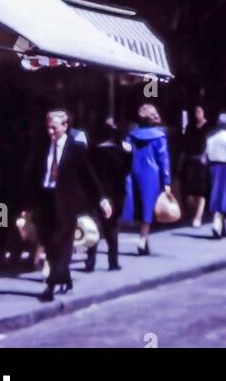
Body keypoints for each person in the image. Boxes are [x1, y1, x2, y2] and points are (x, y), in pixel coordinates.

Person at [34, 109, 111, 302]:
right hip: (46, 199)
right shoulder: (42, 147)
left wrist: (101, 199)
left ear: (65, 127)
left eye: (54, 128)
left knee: (63, 242)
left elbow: (89, 175)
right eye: (48, 127)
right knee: (48, 241)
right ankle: (65, 279)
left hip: (67, 202)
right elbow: (33, 175)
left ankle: (50, 286)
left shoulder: (76, 149)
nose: (50, 132)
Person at [123, 103, 175, 254]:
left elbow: (125, 150)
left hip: (134, 171)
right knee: (148, 207)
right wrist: (167, 181)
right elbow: (164, 160)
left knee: (138, 204)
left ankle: (144, 241)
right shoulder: (159, 136)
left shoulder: (132, 135)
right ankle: (143, 239)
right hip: (152, 174)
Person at [86, 119, 130, 272]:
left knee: (94, 227)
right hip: (116, 193)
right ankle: (113, 261)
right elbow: (126, 171)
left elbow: (88, 174)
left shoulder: (92, 152)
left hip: (97, 193)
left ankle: (90, 262)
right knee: (112, 228)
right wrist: (128, 153)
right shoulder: (120, 152)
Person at [179, 105, 209, 228]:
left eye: (199, 111)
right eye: (195, 111)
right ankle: (193, 212)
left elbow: (209, 143)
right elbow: (184, 144)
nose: (197, 113)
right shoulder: (190, 127)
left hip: (202, 162)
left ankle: (198, 217)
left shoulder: (208, 127)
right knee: (190, 191)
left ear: (203, 112)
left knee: (201, 191)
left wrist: (206, 156)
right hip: (190, 160)